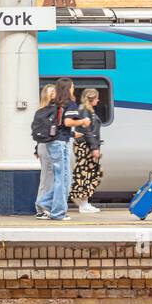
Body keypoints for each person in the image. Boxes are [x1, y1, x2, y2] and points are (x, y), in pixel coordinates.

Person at [34, 77, 91, 221]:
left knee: (64, 179)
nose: (74, 89)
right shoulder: (69, 103)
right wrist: (83, 121)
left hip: (54, 142)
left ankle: (45, 203)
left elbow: (58, 124)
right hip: (60, 144)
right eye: (72, 86)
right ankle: (58, 212)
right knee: (63, 179)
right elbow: (67, 122)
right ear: (68, 88)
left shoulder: (55, 103)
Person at [69, 88, 104, 214]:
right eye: (97, 98)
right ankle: (83, 203)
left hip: (86, 145)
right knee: (86, 174)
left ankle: (82, 201)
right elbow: (88, 131)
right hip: (86, 146)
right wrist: (94, 148)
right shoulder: (85, 111)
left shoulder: (88, 110)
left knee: (90, 173)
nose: (98, 100)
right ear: (91, 98)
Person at [33, 83, 57, 217]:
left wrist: (36, 148)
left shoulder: (40, 111)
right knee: (48, 178)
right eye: (53, 92)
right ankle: (42, 208)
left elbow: (38, 132)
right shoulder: (52, 111)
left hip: (42, 145)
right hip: (49, 145)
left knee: (46, 177)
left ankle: (41, 207)